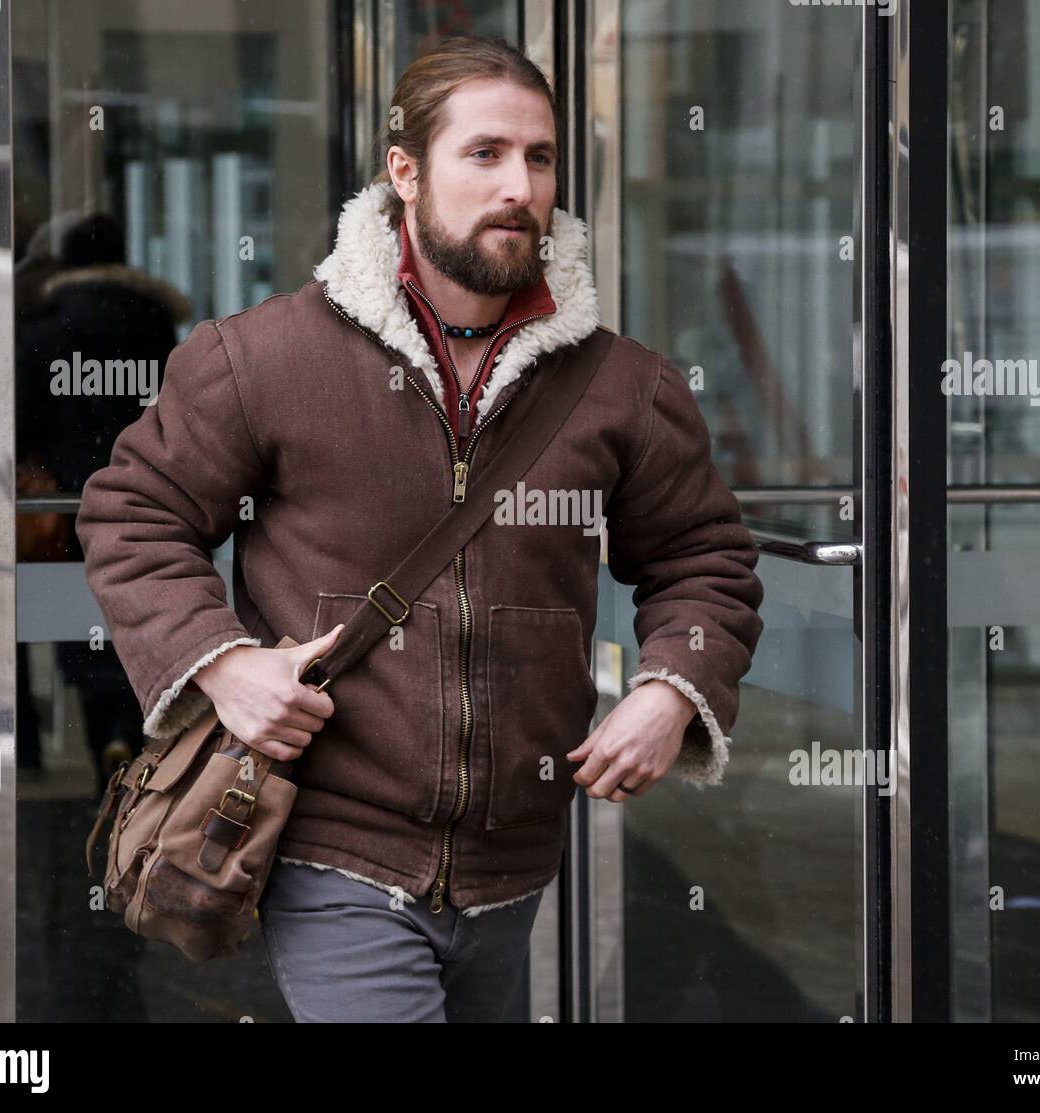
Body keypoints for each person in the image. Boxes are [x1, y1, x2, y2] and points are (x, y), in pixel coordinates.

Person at [75, 35, 763, 1023]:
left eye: (538, 157)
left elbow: (704, 559)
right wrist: (224, 664)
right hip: (332, 848)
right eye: (483, 154)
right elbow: (134, 509)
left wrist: (671, 692)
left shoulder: (624, 386)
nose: (518, 185)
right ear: (405, 171)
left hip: (517, 858)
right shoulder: (264, 359)